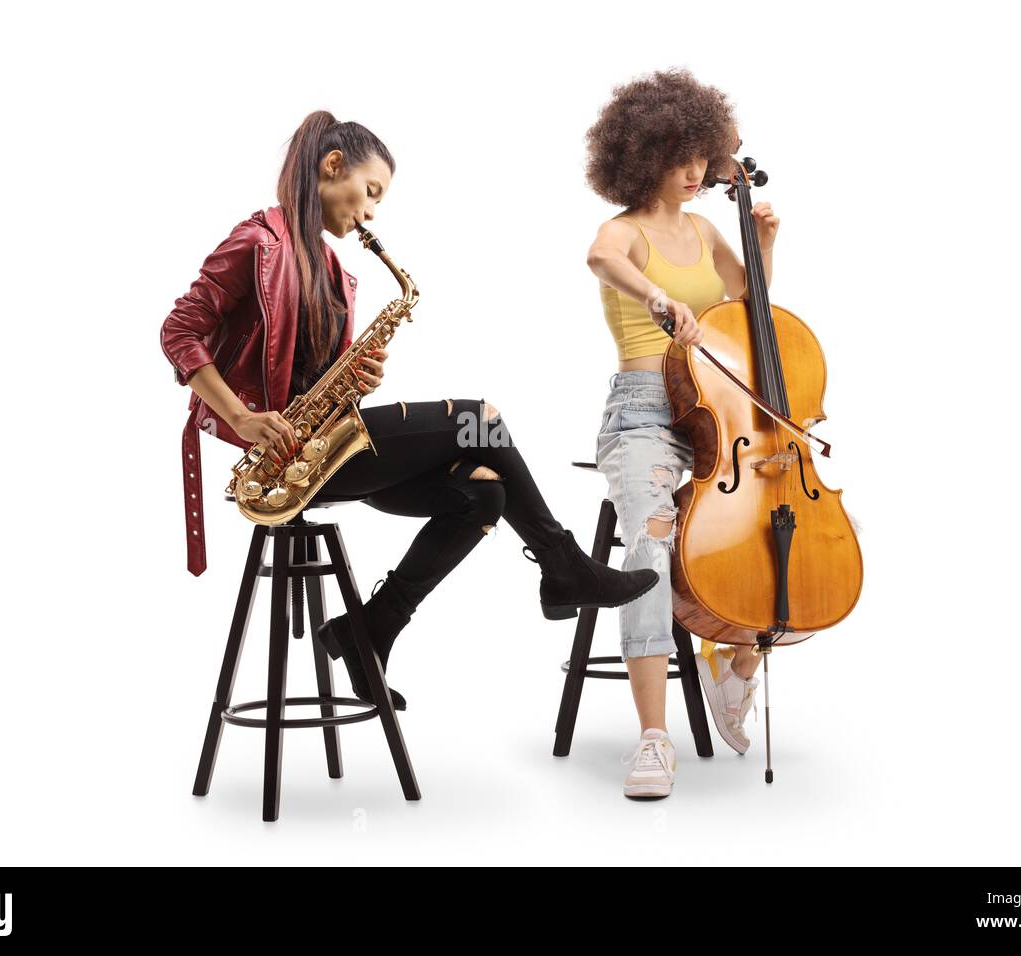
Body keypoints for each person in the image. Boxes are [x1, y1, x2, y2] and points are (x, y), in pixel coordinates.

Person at [161, 110, 658, 711]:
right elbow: (179, 330)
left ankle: (370, 628)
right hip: (285, 461)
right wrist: (242, 418)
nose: (370, 213)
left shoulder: (337, 273)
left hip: (328, 448)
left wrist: (356, 379)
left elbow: (319, 381)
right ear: (331, 166)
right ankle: (563, 562)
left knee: (486, 495)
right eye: (370, 192)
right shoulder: (256, 242)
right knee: (482, 419)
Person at [583, 69, 781, 798]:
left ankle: (735, 671)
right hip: (641, 414)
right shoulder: (626, 232)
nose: (696, 171)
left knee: (787, 530)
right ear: (642, 157)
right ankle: (654, 737)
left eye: (702, 155)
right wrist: (658, 296)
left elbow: (745, 305)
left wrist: (760, 246)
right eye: (679, 157)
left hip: (721, 412)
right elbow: (601, 260)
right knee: (649, 547)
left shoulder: (702, 227)